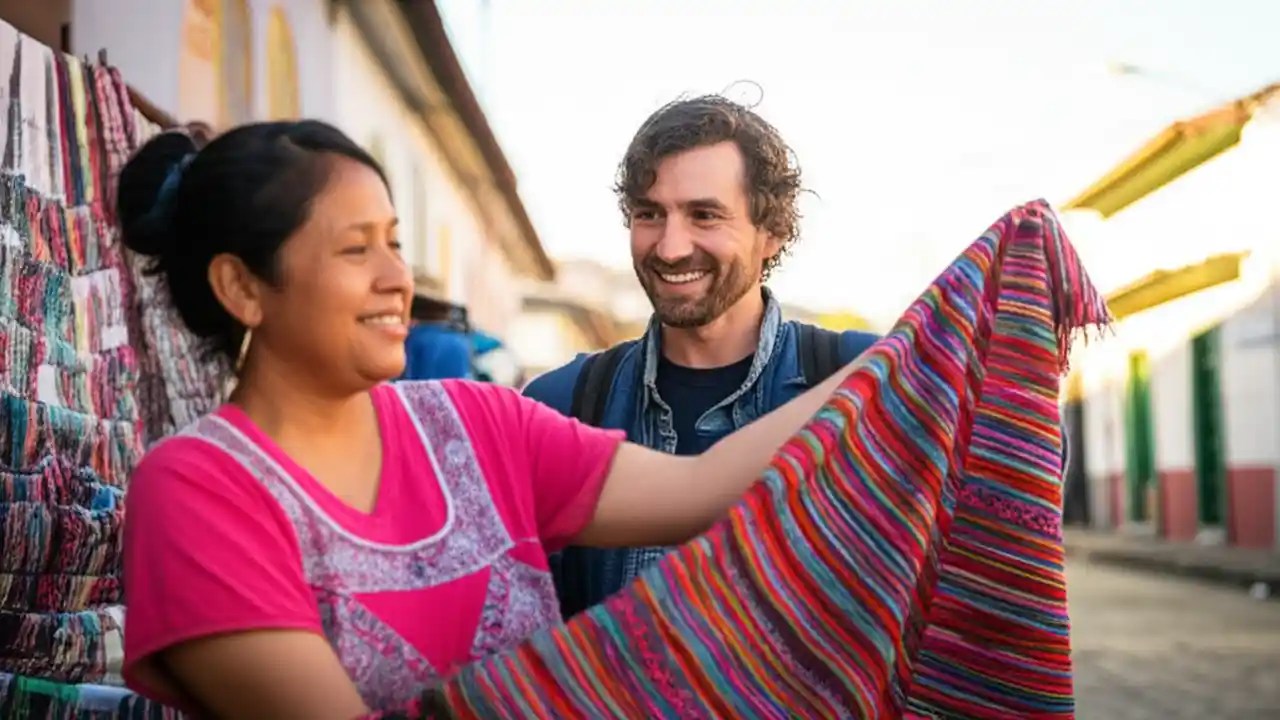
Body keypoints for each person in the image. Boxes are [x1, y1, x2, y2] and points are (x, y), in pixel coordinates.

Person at [117, 120, 865, 719]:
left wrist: (923, 346)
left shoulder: (474, 423)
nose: (398, 277)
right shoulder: (199, 491)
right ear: (242, 287)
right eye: (356, 248)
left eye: (395, 242)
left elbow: (703, 487)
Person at [522, 95, 879, 616]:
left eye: (704, 215)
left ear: (771, 232)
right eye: (649, 214)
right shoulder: (560, 405)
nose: (670, 247)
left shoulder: (862, 384)